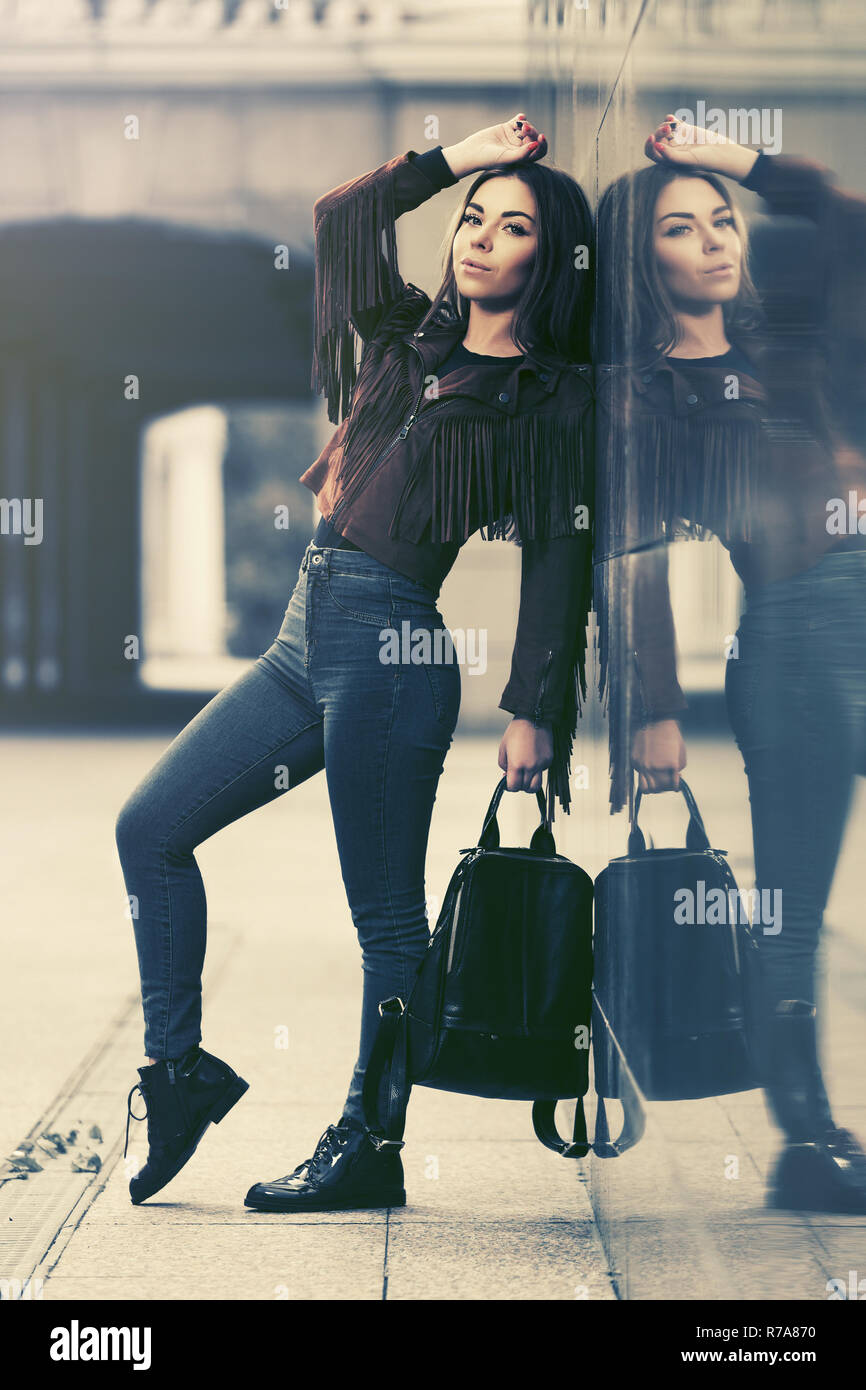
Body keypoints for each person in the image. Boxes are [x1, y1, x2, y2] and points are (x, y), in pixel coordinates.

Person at [115, 113, 595, 1213]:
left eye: (510, 224)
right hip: (299, 639)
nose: (478, 235)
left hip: (391, 654)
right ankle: (179, 1074)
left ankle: (369, 1139)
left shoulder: (543, 401)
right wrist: (456, 158)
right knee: (149, 829)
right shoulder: (404, 338)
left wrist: (533, 711)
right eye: (472, 218)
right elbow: (341, 218)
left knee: (387, 921)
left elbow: (557, 567)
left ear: (547, 255)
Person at [595, 116, 866, 1211]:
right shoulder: (639, 395)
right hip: (799, 638)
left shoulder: (783, 346)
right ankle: (809, 1139)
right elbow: (632, 563)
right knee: (789, 904)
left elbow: (843, 217)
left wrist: (735, 158)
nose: (714, 242)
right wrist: (653, 711)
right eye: (679, 227)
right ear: (637, 259)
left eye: (721, 221)